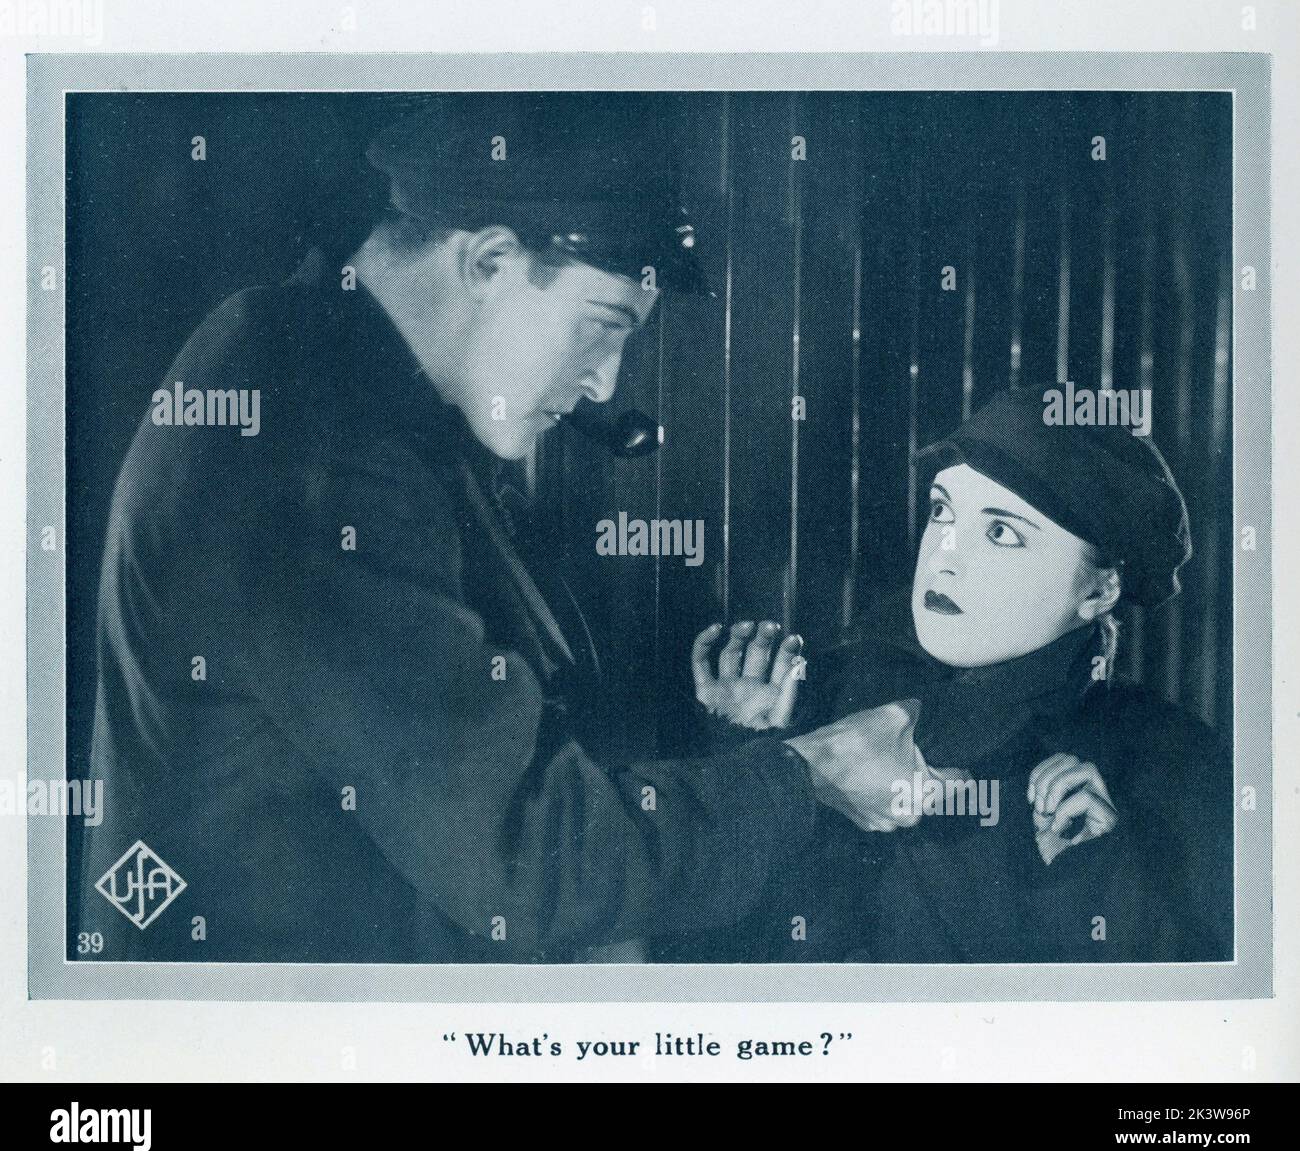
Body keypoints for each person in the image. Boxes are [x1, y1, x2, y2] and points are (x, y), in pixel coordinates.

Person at [73, 94, 936, 964]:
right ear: (487, 261)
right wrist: (808, 776)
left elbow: (486, 765)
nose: (604, 385)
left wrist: (732, 746)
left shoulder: (338, 383)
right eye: (603, 329)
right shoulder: (320, 446)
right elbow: (526, 865)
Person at [688, 383, 1232, 963]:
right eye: (943, 510)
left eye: (1001, 532)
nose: (945, 553)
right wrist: (747, 745)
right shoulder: (812, 697)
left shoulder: (1166, 762)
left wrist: (1093, 878)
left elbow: (1191, 1026)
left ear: (1098, 591)